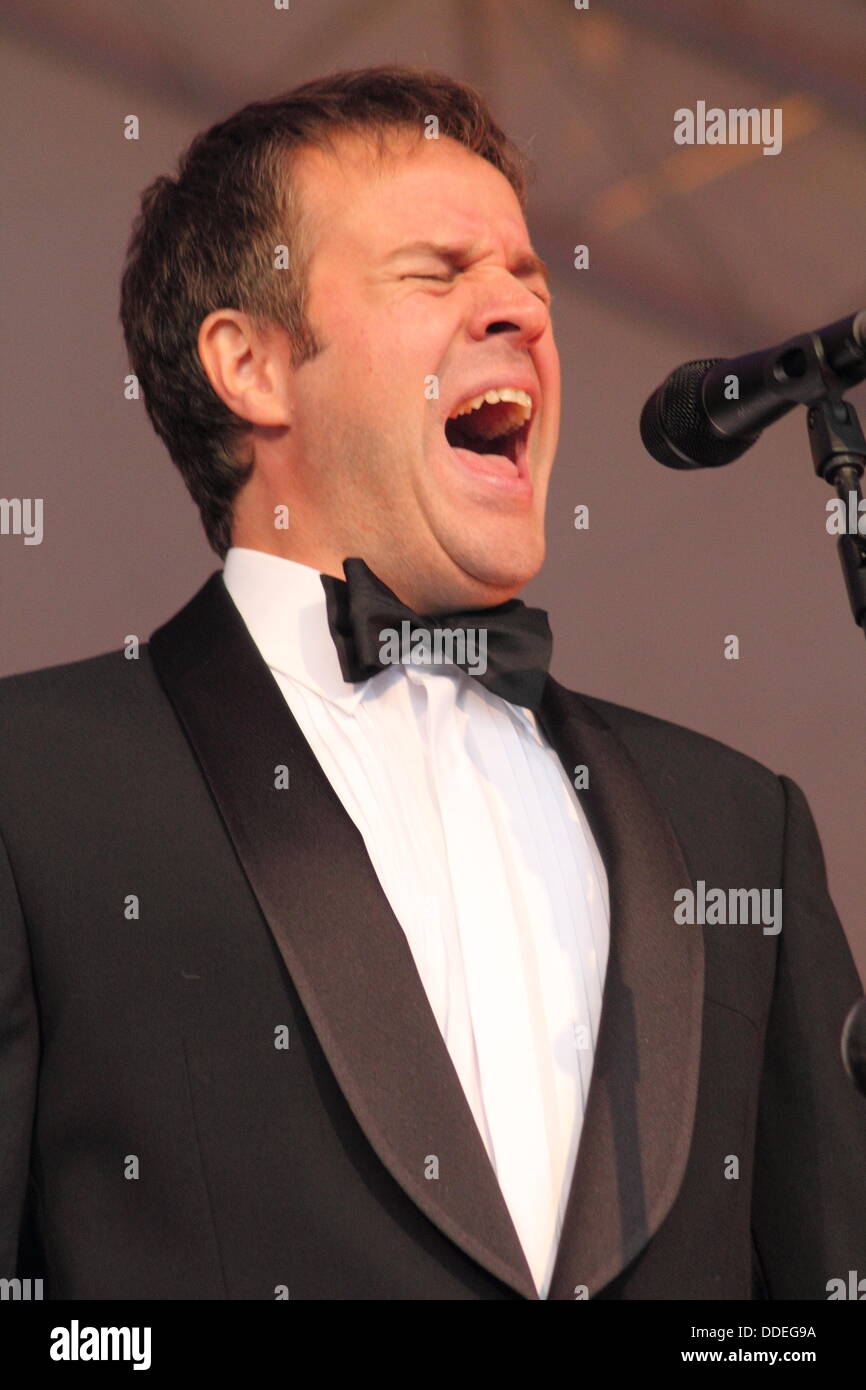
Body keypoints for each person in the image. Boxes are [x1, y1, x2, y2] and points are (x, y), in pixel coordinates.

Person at [1, 66, 864, 1302]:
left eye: (525, 276)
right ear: (250, 366)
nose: (517, 307)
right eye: (438, 272)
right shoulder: (36, 788)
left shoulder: (736, 823)